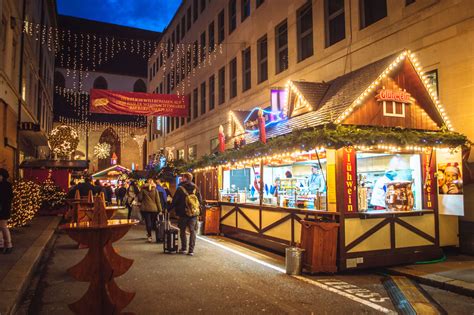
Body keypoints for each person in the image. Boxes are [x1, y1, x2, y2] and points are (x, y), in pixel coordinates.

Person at [171, 172, 203, 256]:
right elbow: (200, 201)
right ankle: (191, 250)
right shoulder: (196, 188)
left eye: (182, 177)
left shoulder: (180, 188)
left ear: (185, 178)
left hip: (183, 213)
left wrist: (167, 209)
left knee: (182, 230)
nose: (181, 179)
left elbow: (174, 201)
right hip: (194, 213)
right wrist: (199, 212)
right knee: (193, 231)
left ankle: (184, 248)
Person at [138, 177, 162, 242]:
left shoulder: (143, 190)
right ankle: (158, 237)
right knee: (154, 223)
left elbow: (139, 199)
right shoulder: (155, 190)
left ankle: (150, 236)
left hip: (145, 209)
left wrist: (141, 189)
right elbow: (158, 201)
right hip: (154, 209)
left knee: (148, 223)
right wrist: (160, 210)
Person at [0, 168, 14, 254]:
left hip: (4, 210)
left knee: (3, 227)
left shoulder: (7, 185)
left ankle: (8, 245)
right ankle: (1, 244)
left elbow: (7, 198)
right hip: (3, 209)